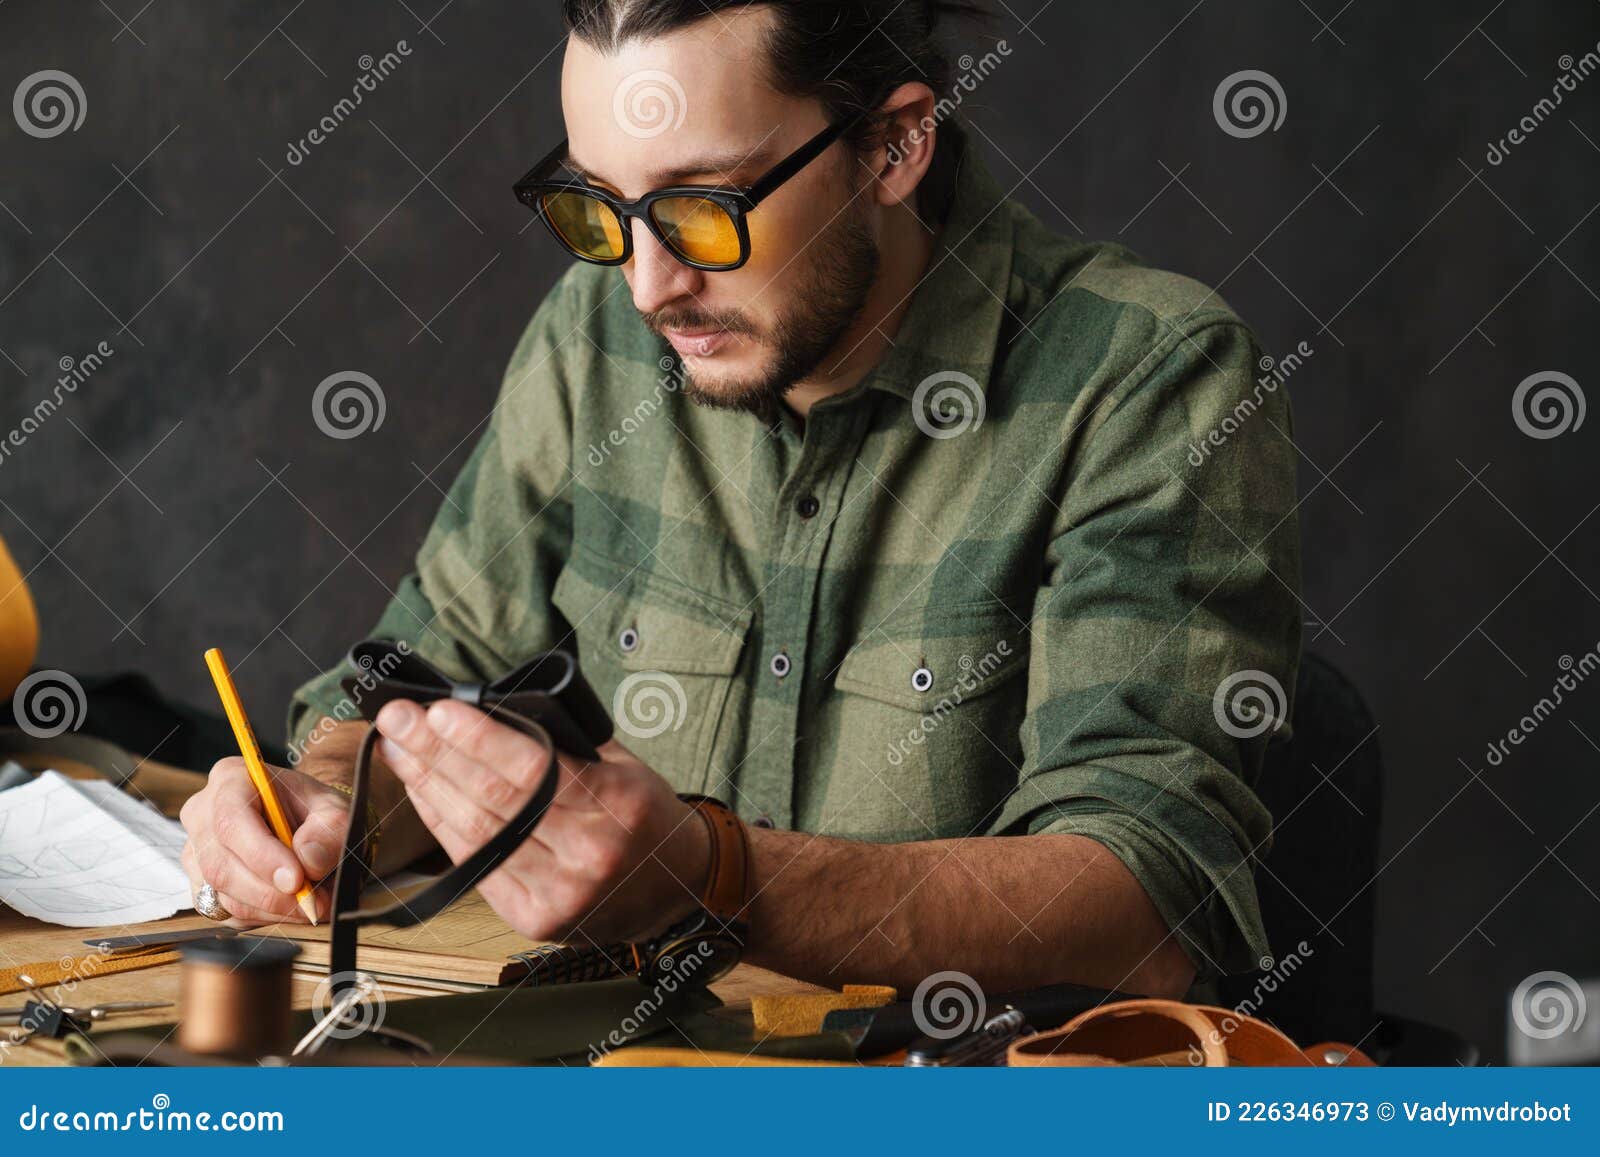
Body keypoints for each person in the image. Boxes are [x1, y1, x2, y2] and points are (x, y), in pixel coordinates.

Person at [179, 0, 1300, 1000]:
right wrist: (321, 803)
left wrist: (710, 875)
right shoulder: (598, 337)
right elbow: (424, 670)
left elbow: (1146, 907)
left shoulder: (1146, 378)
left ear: (895, 144)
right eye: (597, 209)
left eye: (704, 207)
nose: (648, 285)